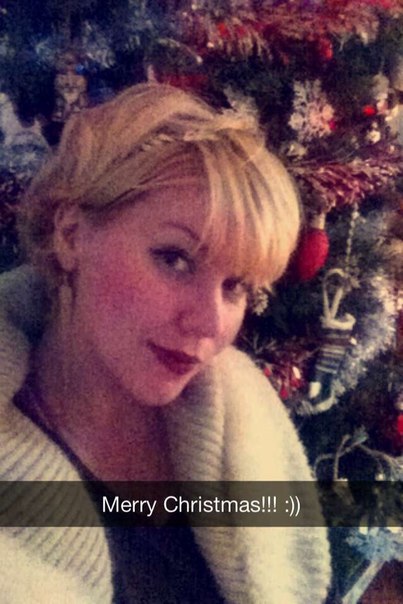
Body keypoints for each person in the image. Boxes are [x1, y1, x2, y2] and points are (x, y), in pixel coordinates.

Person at [0, 83, 331, 603]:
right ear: (70, 234)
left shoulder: (244, 416)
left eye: (235, 286)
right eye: (175, 259)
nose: (210, 323)